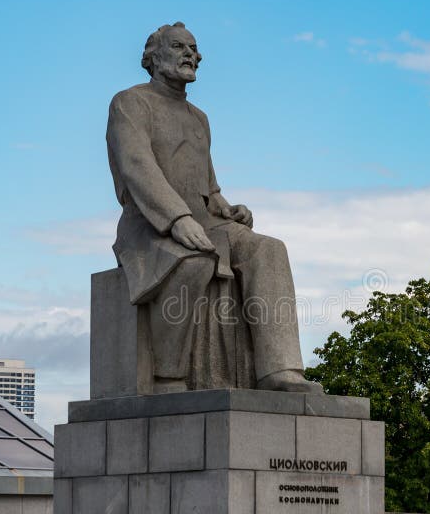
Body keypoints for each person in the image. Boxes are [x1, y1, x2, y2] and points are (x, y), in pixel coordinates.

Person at [106, 21, 322, 394]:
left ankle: (279, 371)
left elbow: (209, 187)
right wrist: (177, 219)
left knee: (269, 249)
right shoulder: (130, 103)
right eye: (179, 47)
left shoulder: (199, 118)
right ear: (153, 57)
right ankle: (168, 376)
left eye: (194, 48)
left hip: (205, 222)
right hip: (149, 225)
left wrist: (227, 207)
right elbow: (137, 166)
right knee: (192, 260)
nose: (193, 54)